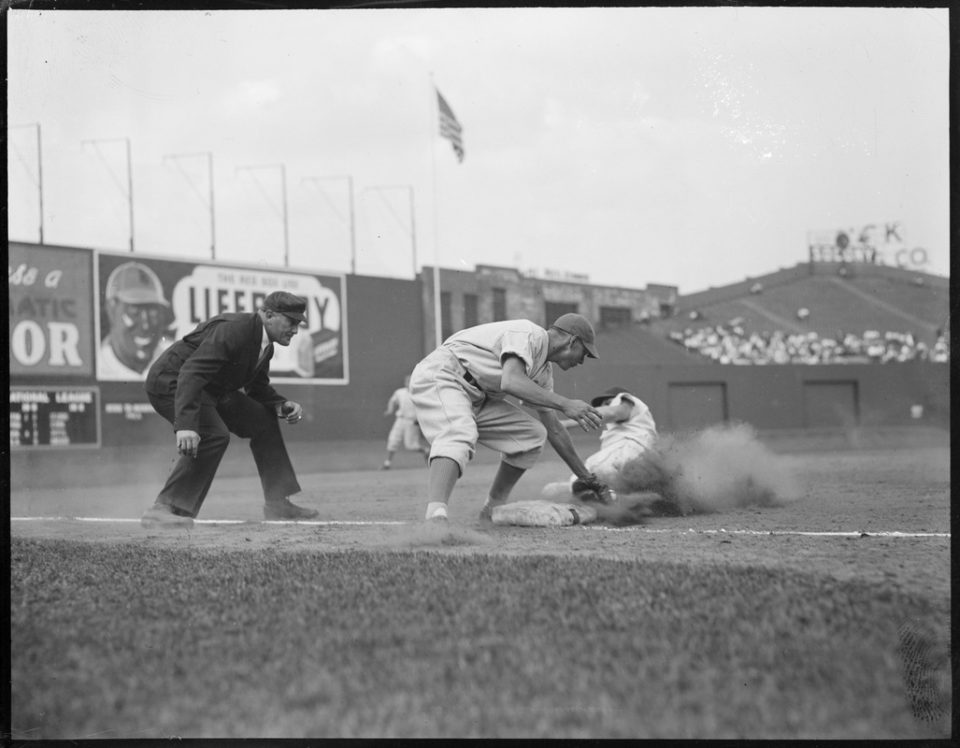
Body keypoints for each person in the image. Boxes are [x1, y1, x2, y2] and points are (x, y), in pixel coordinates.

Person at [408, 312, 612, 522]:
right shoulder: (527, 333)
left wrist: (587, 478)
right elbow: (511, 381)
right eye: (584, 353)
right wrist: (566, 404)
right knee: (458, 431)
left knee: (532, 436)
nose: (582, 361)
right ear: (572, 340)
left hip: (477, 396)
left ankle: (492, 508)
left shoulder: (543, 373)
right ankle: (435, 517)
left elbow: (555, 430)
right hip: (445, 374)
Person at [140, 291, 318, 527]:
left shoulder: (264, 345)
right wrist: (185, 425)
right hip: (171, 382)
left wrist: (279, 404)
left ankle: (278, 503)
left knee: (262, 421)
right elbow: (191, 373)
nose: (295, 329)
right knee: (213, 434)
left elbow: (256, 387)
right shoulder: (236, 329)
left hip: (208, 388)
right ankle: (163, 508)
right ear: (268, 314)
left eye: (298, 323)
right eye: (291, 321)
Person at [541, 385, 659, 501]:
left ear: (610, 401)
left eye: (604, 404)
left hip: (627, 449)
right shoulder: (641, 423)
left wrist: (566, 423)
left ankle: (597, 496)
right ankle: (635, 501)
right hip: (642, 462)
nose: (602, 407)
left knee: (586, 477)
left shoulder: (626, 402)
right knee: (592, 484)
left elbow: (613, 412)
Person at [98, 261, 175, 380]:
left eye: (152, 312)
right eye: (134, 312)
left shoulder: (175, 356)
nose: (145, 325)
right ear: (111, 310)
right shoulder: (97, 364)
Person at [381, 375, 429, 469]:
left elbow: (423, 407)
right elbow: (392, 401)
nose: (408, 383)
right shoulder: (399, 392)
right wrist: (389, 410)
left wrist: (420, 419)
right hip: (400, 419)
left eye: (410, 381)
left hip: (412, 421)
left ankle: (426, 450)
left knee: (410, 445)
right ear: (405, 382)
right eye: (407, 381)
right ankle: (387, 463)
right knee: (393, 440)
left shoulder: (418, 393)